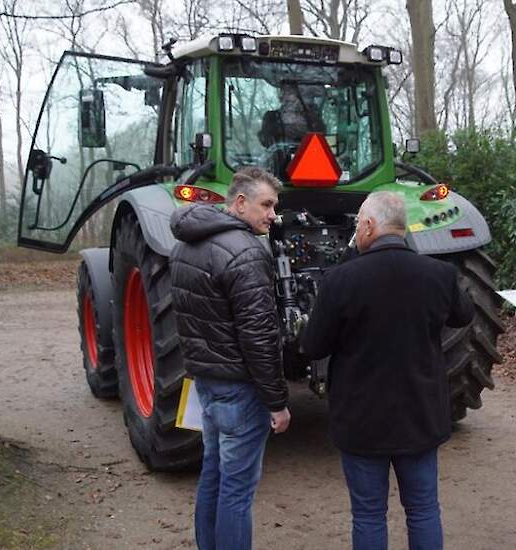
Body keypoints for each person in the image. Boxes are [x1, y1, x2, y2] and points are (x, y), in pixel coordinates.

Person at [299, 191, 474, 550]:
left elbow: (313, 346)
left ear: (366, 225)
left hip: (362, 421)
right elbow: (464, 315)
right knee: (424, 510)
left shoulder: (340, 280)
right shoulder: (439, 274)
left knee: (368, 515)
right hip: (421, 414)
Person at [169, 166, 291, 550]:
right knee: (237, 491)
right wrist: (277, 402)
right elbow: (258, 336)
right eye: (266, 205)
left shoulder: (186, 243)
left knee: (213, 476)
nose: (273, 215)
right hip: (240, 389)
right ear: (240, 203)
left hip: (206, 382)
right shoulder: (247, 252)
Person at [258, 86, 326, 147]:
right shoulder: (271, 117)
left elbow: (319, 138)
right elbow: (266, 140)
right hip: (280, 157)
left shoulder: (313, 119)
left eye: (290, 93)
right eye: (283, 92)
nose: (284, 96)